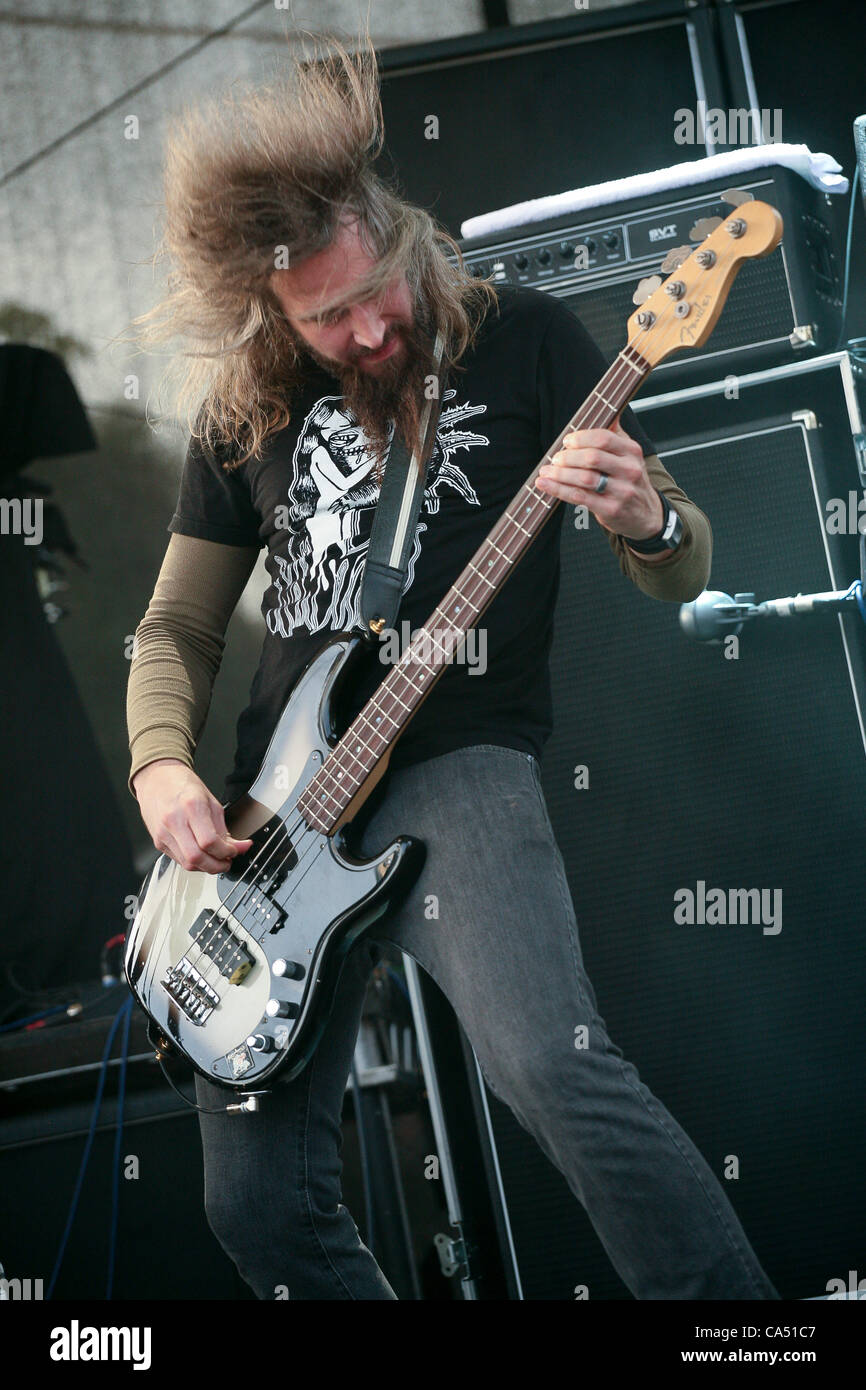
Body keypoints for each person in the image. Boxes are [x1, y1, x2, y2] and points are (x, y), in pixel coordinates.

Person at [126, 39, 780, 1301]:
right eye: (329, 316)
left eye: (378, 288)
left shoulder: (526, 339)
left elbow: (681, 559)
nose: (371, 325)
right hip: (276, 810)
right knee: (252, 1202)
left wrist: (643, 516)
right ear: (273, 308)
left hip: (455, 760)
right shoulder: (241, 415)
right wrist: (163, 771)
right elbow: (176, 632)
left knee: (551, 1062)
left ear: (397, 232)